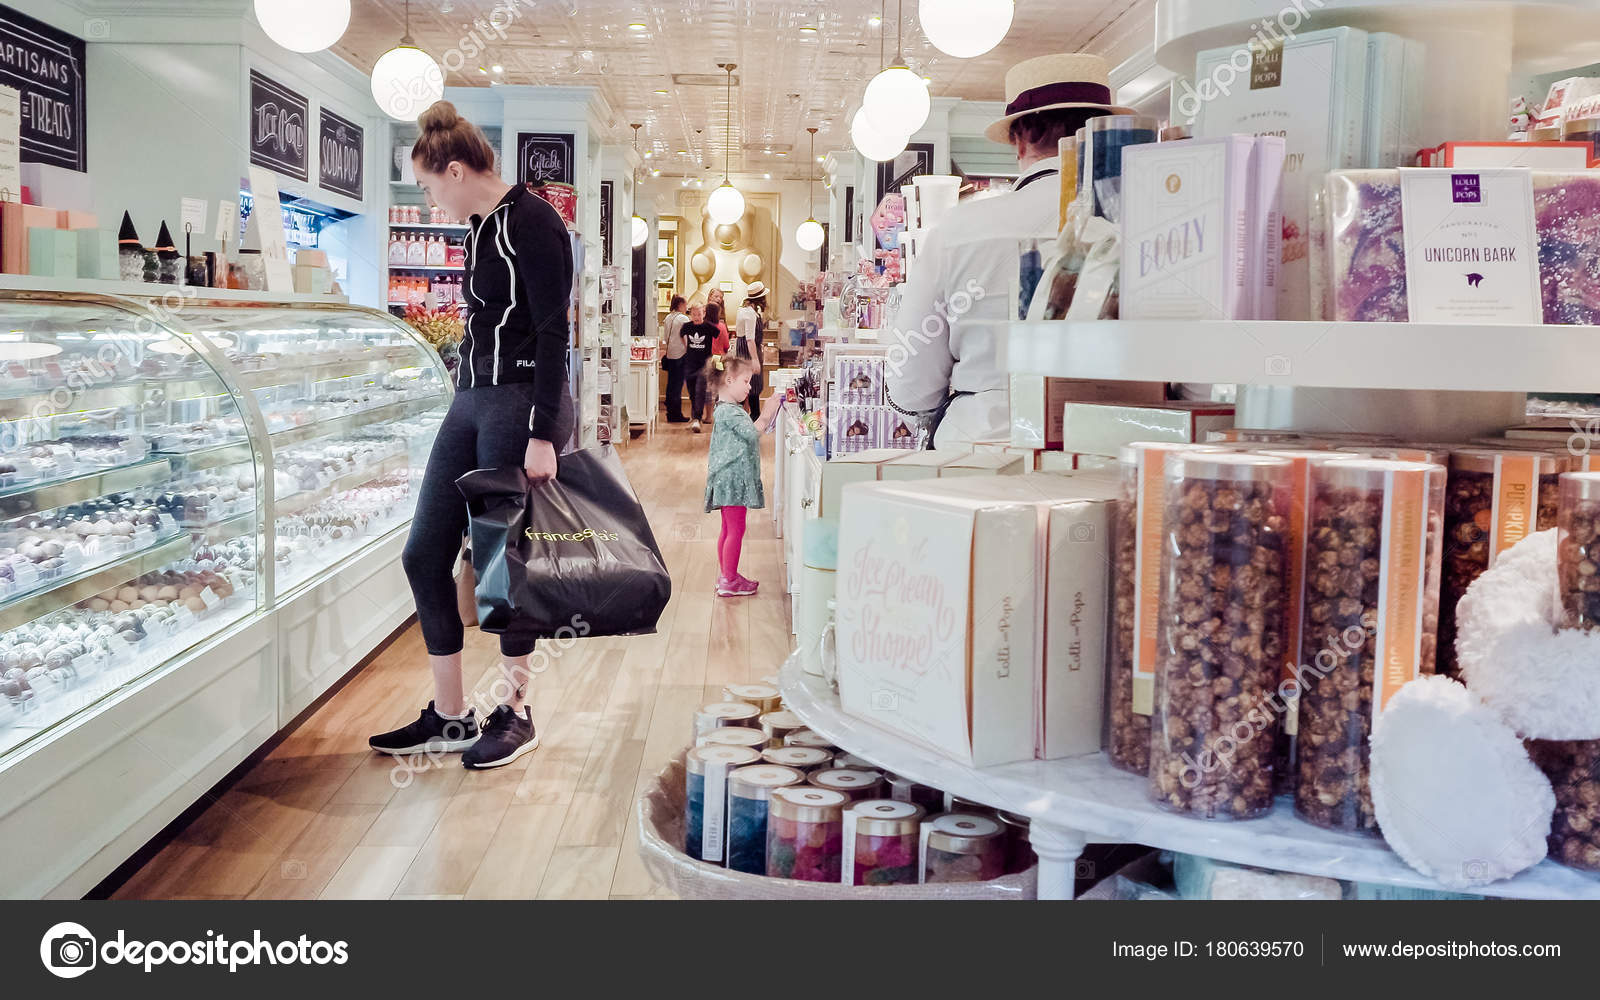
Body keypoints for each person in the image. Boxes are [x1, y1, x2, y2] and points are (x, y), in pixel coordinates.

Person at [368, 101, 575, 770]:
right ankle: (451, 716)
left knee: (499, 563)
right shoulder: (479, 227)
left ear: (456, 170)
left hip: (517, 406)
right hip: (471, 401)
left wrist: (544, 432)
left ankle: (516, 713)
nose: (429, 203)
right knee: (424, 552)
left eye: (429, 188)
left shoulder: (536, 224)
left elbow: (552, 334)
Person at [883, 53, 1132, 448]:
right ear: (1101, 133)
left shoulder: (956, 229)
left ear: (1020, 138)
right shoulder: (1141, 222)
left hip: (979, 448)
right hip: (1111, 447)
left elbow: (910, 387)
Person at [703, 351, 783, 597]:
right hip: (733, 479)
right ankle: (729, 580)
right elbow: (752, 432)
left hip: (727, 478)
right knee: (735, 530)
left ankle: (729, 574)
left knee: (728, 529)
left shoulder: (726, 409)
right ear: (729, 381)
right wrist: (768, 410)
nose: (749, 387)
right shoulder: (731, 412)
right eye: (745, 381)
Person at [680, 303, 716, 432]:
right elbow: (682, 337)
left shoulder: (709, 327)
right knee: (692, 392)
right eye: (694, 314)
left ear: (704, 313)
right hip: (690, 364)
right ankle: (695, 418)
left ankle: (697, 419)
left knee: (700, 390)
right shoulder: (687, 327)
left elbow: (719, 335)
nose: (697, 317)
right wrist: (687, 348)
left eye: (699, 314)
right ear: (690, 314)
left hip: (704, 365)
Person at [735, 281, 768, 418]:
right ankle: (754, 417)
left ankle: (752, 416)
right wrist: (755, 360)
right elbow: (749, 339)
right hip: (748, 352)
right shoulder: (749, 314)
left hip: (746, 350)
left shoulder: (746, 310)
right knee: (752, 386)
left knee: (748, 386)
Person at [662, 295, 690, 422]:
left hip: (670, 354)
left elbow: (666, 335)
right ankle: (676, 414)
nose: (687, 307)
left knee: (671, 384)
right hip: (681, 354)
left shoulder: (668, 317)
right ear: (680, 305)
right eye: (685, 304)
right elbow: (685, 338)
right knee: (677, 385)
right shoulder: (683, 319)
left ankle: (670, 412)